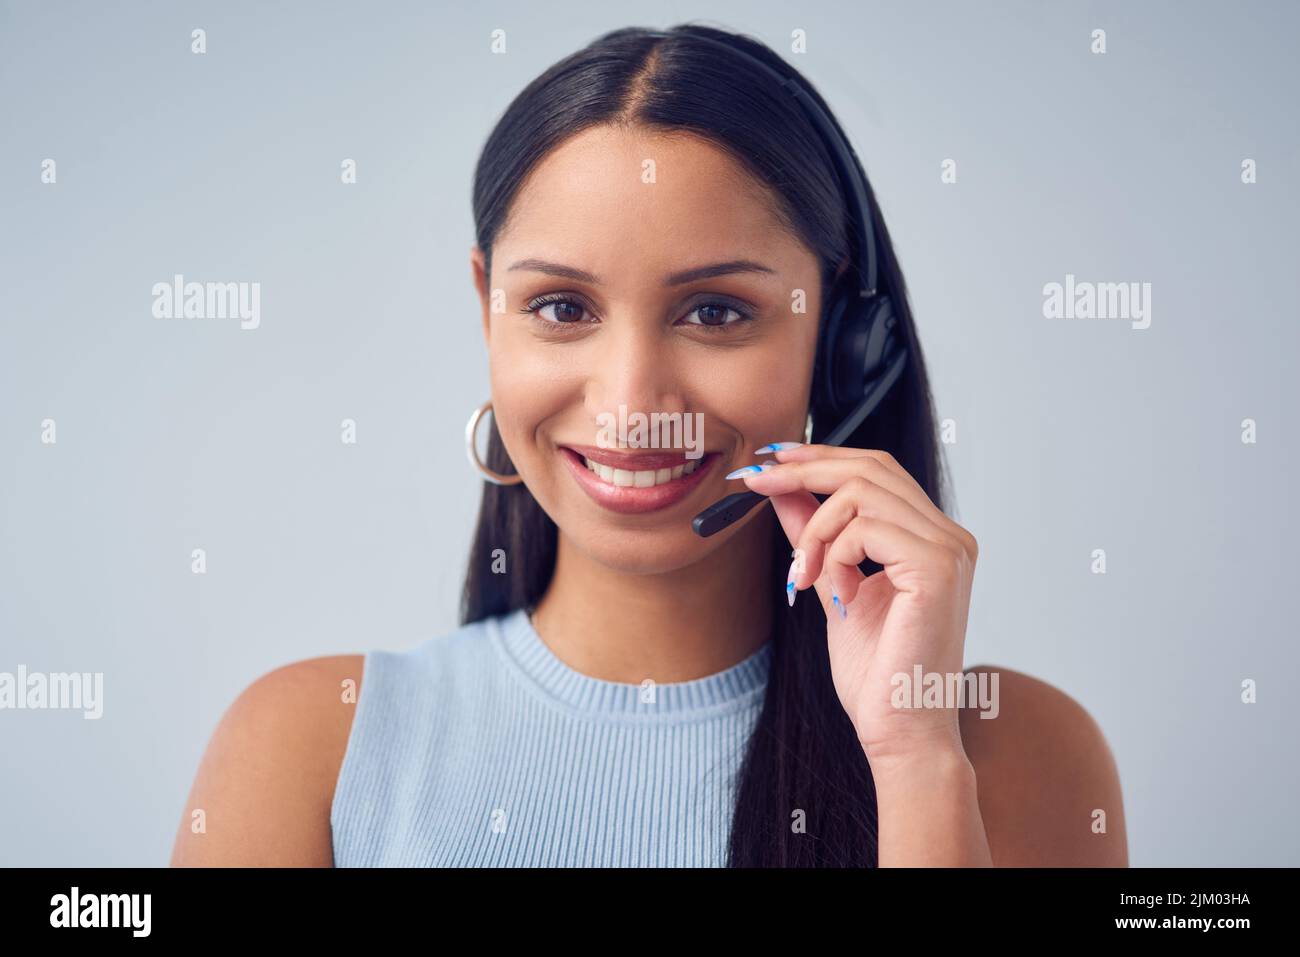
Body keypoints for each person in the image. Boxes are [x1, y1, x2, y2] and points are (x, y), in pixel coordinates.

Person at [171, 23, 1126, 867]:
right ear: (486, 308)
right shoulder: (308, 749)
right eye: (560, 307)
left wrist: (916, 764)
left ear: (839, 340)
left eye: (715, 311)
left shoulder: (1015, 751)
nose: (632, 406)